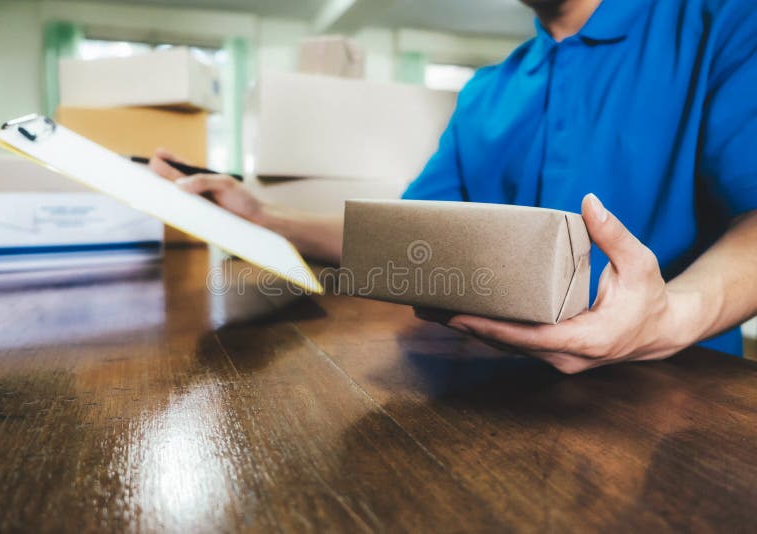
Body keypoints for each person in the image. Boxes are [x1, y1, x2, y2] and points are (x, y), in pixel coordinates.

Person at [151, 0, 757, 374]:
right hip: (494, 383)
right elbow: (402, 237)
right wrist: (263, 215)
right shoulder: (486, 92)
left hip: (678, 385)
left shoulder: (725, 23)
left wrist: (667, 319)